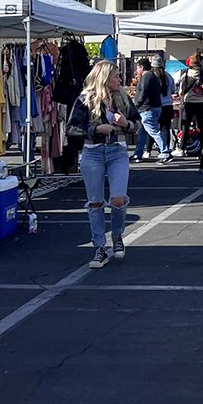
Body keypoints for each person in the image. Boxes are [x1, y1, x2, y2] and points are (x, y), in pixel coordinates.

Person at [67, 60, 140, 268]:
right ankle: (99, 247)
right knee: (95, 202)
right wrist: (95, 130)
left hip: (117, 151)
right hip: (93, 153)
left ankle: (117, 236)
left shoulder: (123, 98)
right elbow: (71, 128)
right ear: (104, 78)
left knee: (118, 198)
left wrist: (125, 123)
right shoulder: (85, 99)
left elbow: (137, 124)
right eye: (116, 76)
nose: (120, 79)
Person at [131, 59, 172, 164]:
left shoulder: (147, 77)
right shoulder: (152, 76)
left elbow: (143, 92)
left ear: (141, 67)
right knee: (142, 132)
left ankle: (165, 152)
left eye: (138, 67)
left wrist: (137, 104)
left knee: (153, 131)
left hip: (147, 108)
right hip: (153, 107)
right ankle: (137, 153)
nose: (137, 70)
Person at [175, 54, 203, 157]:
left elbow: (180, 91)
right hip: (201, 103)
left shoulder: (184, 74)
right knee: (200, 126)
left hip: (188, 103)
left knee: (185, 125)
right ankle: (202, 148)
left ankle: (181, 148)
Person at [153, 54, 176, 152]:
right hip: (168, 105)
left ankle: (148, 150)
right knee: (166, 128)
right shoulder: (168, 76)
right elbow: (173, 90)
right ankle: (166, 148)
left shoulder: (152, 77)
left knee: (153, 128)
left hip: (156, 105)